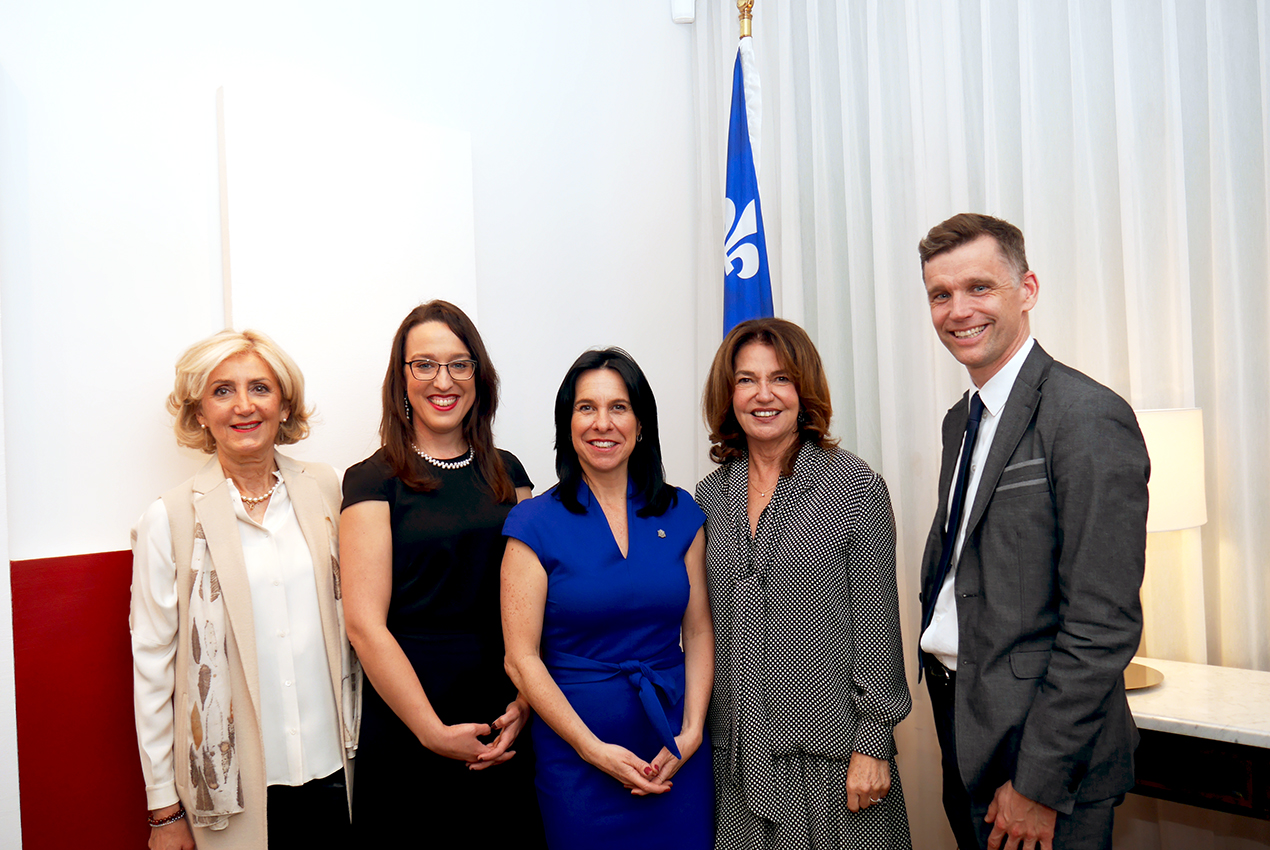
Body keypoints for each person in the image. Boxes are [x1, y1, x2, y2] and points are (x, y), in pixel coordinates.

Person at [916, 213, 1150, 850]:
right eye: (941, 294)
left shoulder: (1087, 416)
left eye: (979, 288)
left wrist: (1038, 783)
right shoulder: (958, 421)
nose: (958, 310)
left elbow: (1101, 625)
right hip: (966, 726)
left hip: (1043, 759)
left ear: (1029, 289)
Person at [130, 330, 358, 850]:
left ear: (284, 403)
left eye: (260, 387)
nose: (244, 406)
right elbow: (152, 671)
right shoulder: (169, 517)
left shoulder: (329, 489)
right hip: (236, 795)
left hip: (340, 773)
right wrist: (163, 811)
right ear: (199, 412)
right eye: (222, 391)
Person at [696, 317, 913, 850]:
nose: (763, 395)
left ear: (805, 389)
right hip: (738, 763)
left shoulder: (854, 488)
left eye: (781, 379)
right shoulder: (706, 498)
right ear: (728, 395)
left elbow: (876, 628)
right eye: (746, 380)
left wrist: (874, 743)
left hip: (834, 764)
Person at [339, 300, 543, 845]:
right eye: (424, 364)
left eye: (459, 363)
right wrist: (431, 731)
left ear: (479, 374)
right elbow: (363, 625)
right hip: (410, 721)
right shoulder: (370, 481)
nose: (442, 380)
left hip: (508, 714)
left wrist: (528, 703)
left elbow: (538, 599)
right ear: (401, 379)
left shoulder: (511, 472)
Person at [501, 348, 714, 850]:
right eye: (586, 408)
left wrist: (692, 732)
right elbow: (520, 658)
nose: (603, 423)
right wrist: (593, 749)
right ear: (566, 422)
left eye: (619, 407)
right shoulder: (532, 524)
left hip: (675, 748)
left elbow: (700, 630)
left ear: (641, 423)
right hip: (577, 760)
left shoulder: (681, 510)